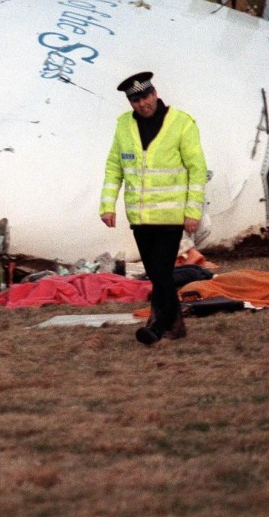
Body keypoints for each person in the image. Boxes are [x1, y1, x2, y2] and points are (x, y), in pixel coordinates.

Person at [99, 71, 207, 345]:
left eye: (145, 96)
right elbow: (115, 168)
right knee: (158, 275)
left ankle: (157, 327)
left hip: (170, 216)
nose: (142, 104)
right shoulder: (124, 125)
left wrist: (192, 212)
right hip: (140, 216)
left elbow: (197, 169)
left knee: (160, 274)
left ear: (155, 93)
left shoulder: (181, 123)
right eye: (135, 100)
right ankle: (175, 324)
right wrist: (107, 205)